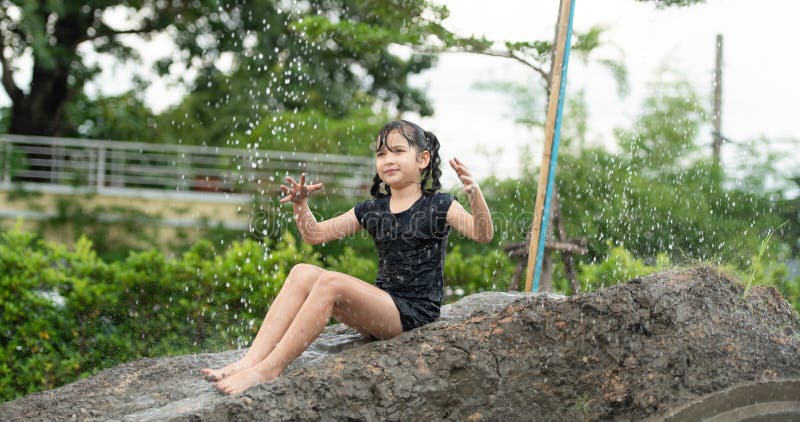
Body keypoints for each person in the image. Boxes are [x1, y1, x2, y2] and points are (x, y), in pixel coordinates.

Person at [202, 120, 494, 395]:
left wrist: (475, 196)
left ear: (423, 159)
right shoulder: (373, 209)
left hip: (414, 315)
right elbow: (314, 235)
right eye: (381, 153)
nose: (388, 159)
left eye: (398, 151)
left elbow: (483, 234)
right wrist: (301, 206)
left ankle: (269, 369)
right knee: (302, 271)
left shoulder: (440, 205)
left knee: (331, 282)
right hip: (383, 308)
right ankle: (248, 361)